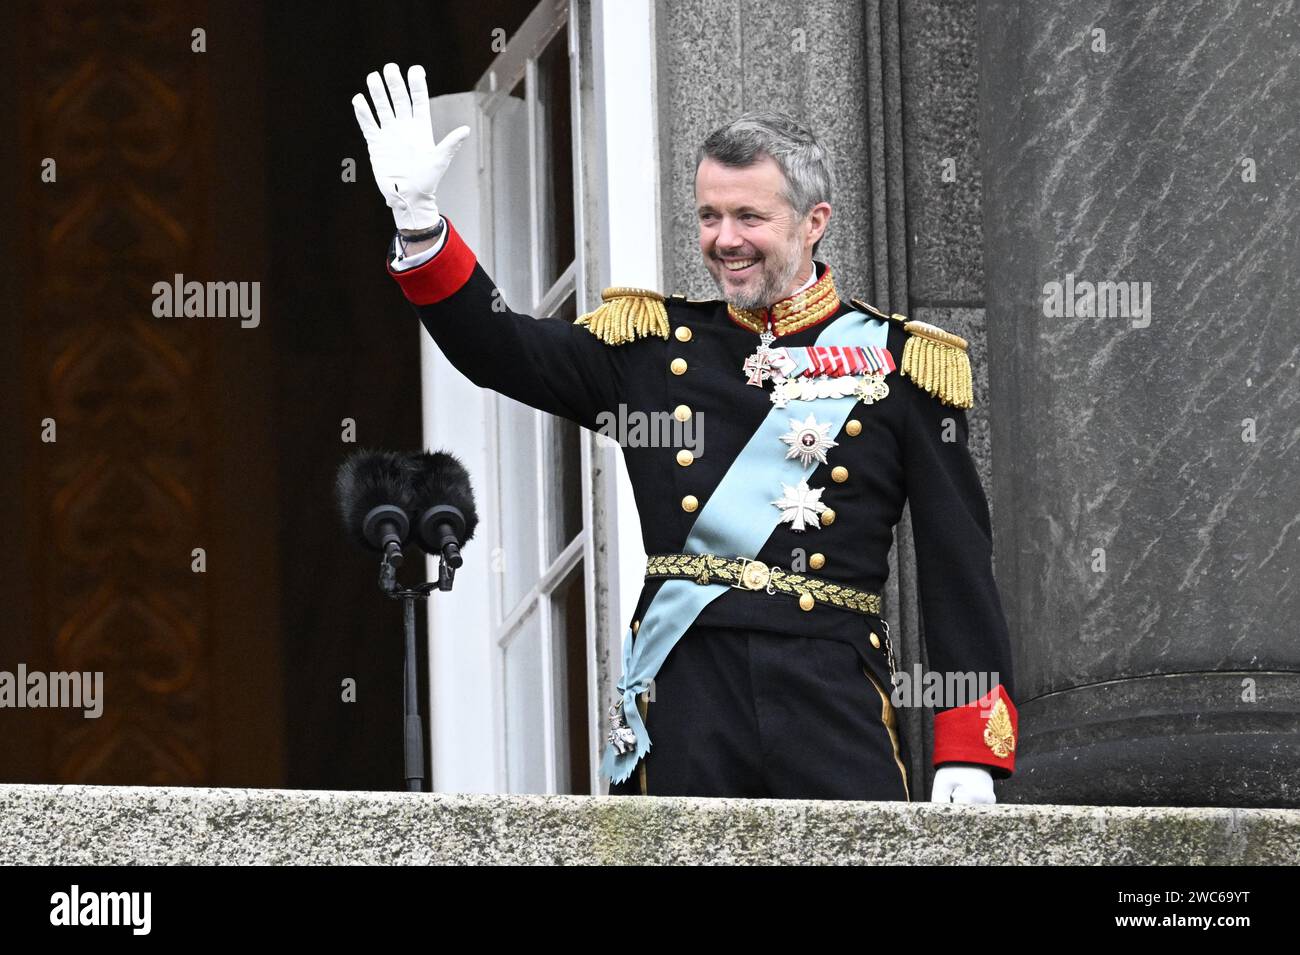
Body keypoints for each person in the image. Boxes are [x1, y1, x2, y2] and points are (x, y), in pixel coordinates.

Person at [352, 63, 1018, 804]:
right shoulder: (649, 348)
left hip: (830, 692)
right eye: (709, 216)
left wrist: (970, 746)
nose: (724, 240)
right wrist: (420, 223)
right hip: (688, 693)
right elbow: (499, 348)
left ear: (814, 222)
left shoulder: (900, 365)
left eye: (749, 218)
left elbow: (959, 563)